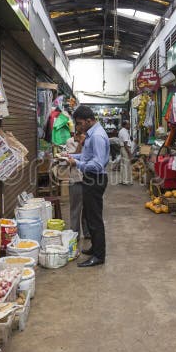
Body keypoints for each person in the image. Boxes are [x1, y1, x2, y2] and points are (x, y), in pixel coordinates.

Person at [65, 106, 110, 267]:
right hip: (91, 178)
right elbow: (87, 157)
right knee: (90, 216)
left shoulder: (97, 136)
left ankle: (99, 256)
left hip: (95, 179)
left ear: (89, 120)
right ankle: (95, 248)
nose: (78, 127)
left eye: (79, 123)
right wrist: (71, 156)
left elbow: (97, 164)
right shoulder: (92, 134)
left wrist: (76, 163)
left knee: (95, 219)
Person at [64, 126, 90, 242]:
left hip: (88, 178)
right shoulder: (70, 142)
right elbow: (72, 158)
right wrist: (80, 144)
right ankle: (75, 234)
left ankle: (87, 232)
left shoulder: (89, 142)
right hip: (75, 179)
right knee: (75, 208)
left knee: (87, 208)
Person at [117, 120, 133, 185]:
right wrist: (129, 153)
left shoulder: (122, 131)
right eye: (128, 124)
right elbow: (125, 143)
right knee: (126, 165)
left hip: (122, 148)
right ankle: (126, 181)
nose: (129, 126)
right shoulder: (124, 132)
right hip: (125, 148)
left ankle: (122, 180)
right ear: (125, 125)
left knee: (123, 165)